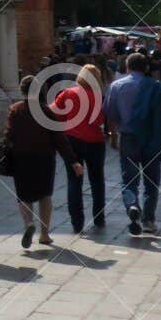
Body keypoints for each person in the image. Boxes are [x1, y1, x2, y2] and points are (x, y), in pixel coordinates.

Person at [104, 53, 161, 236]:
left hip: (128, 138)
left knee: (128, 180)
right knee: (151, 181)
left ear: (127, 67)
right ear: (146, 68)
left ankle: (132, 206)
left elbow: (110, 114)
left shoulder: (116, 86)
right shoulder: (156, 87)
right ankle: (148, 220)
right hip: (151, 139)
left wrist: (114, 136)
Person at [5, 76, 82, 249]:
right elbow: (59, 139)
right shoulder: (47, 112)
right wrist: (72, 161)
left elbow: (9, 135)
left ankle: (28, 224)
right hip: (44, 158)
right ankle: (45, 234)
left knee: (24, 195)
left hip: (21, 157)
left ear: (22, 91)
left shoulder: (15, 110)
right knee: (45, 195)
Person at [53, 63, 108, 232]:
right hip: (95, 141)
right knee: (97, 180)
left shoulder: (68, 93)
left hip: (71, 140)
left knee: (74, 181)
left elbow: (53, 113)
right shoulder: (101, 96)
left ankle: (77, 222)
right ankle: (99, 218)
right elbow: (101, 120)